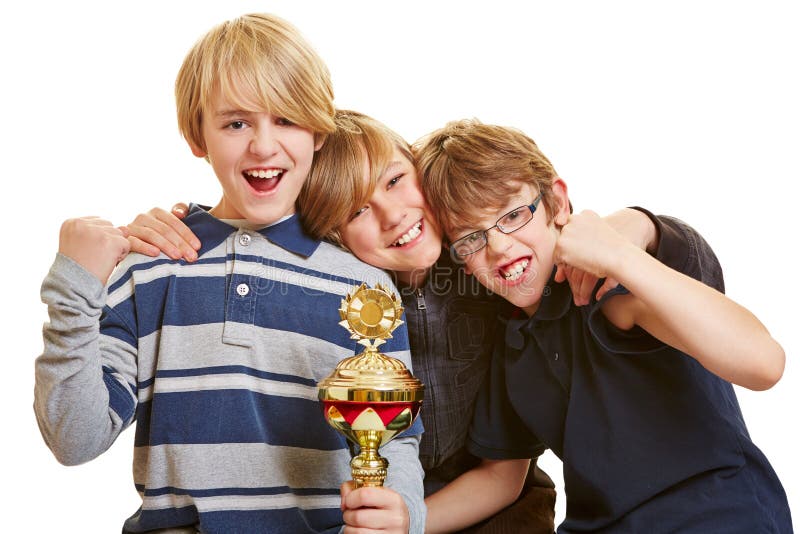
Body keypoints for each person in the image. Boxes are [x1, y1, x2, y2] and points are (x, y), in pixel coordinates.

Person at [127, 110, 714, 532]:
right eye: (356, 210)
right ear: (331, 232)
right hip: (372, 510)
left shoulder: (490, 269)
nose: (392, 214)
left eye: (395, 180)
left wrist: (637, 222)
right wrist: (191, 224)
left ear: (421, 172)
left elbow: (565, 236)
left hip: (504, 507)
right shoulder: (339, 293)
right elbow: (258, 238)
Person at [34, 15, 425, 533]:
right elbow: (74, 440)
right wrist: (73, 290)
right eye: (236, 123)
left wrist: (404, 511)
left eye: (286, 119)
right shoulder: (147, 269)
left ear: (318, 133)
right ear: (198, 136)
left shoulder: (364, 287)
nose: (263, 146)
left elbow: (395, 436)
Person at [411, 118, 792, 532]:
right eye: (471, 238)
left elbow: (764, 363)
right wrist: (401, 523)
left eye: (514, 215)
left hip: (711, 518)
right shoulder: (512, 345)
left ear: (557, 203)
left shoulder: (609, 293)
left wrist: (623, 252)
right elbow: (499, 478)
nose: (499, 246)